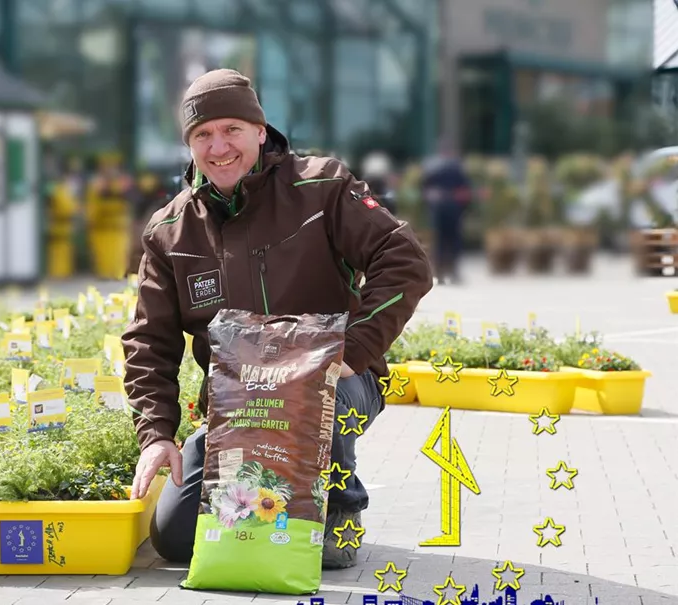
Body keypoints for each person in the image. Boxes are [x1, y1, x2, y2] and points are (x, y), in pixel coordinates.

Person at [121, 69, 433, 570]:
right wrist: (157, 433)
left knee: (323, 534)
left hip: (337, 383)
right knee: (177, 538)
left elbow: (405, 262)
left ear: (260, 131)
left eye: (232, 130)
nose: (218, 146)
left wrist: (350, 353)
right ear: (190, 145)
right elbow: (149, 340)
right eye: (203, 135)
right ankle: (273, 505)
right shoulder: (170, 231)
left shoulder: (323, 187)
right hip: (238, 409)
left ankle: (340, 511)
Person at [421, 139, 472, 285]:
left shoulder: (433, 167)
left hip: (442, 208)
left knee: (442, 240)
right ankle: (450, 272)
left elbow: (425, 189)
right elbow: (465, 190)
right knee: (452, 239)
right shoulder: (456, 167)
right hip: (452, 208)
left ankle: (442, 273)